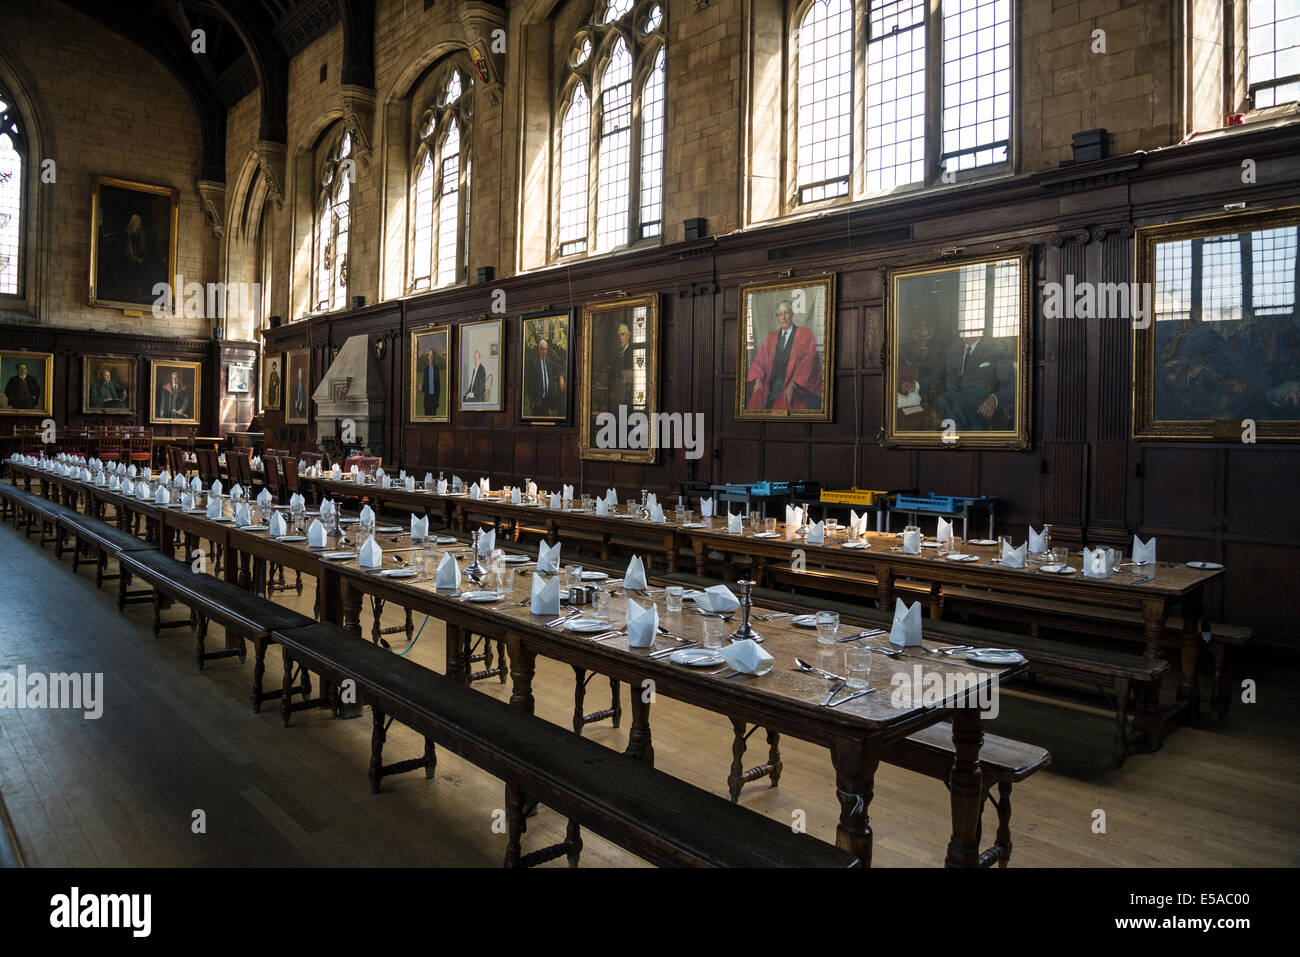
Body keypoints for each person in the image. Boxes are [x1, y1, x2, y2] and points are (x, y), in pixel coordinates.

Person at [745, 299, 822, 410]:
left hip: (795, 387)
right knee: (755, 402)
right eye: (780, 314)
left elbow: (808, 363)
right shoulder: (772, 337)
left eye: (786, 313)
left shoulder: (805, 334)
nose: (784, 317)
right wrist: (758, 379)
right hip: (770, 385)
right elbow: (759, 360)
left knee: (782, 407)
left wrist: (793, 384)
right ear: (777, 318)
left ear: (792, 314)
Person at [934, 331, 1013, 431]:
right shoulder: (953, 348)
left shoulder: (995, 349)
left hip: (979, 411)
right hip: (951, 407)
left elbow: (1012, 386)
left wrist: (994, 399)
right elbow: (935, 374)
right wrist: (916, 384)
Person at [527, 338, 565, 416]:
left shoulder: (549, 361)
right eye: (542, 349)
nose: (544, 352)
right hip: (538, 401)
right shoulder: (534, 364)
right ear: (539, 350)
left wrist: (561, 378)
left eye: (545, 349)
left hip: (548, 400)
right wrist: (532, 401)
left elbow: (558, 367)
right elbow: (530, 384)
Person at [612, 323, 635, 410]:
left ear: (628, 336)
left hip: (628, 396)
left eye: (623, 334)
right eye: (619, 336)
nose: (620, 338)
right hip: (617, 396)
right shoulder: (615, 354)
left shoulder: (632, 352)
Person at [417, 346, 442, 416]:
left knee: (434, 419)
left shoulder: (436, 369)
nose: (431, 357)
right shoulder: (426, 369)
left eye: (432, 355)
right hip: (427, 399)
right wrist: (421, 389)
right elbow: (425, 384)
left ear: (433, 357)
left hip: (434, 399)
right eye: (429, 355)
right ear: (428, 357)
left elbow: (438, 386)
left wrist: (437, 399)